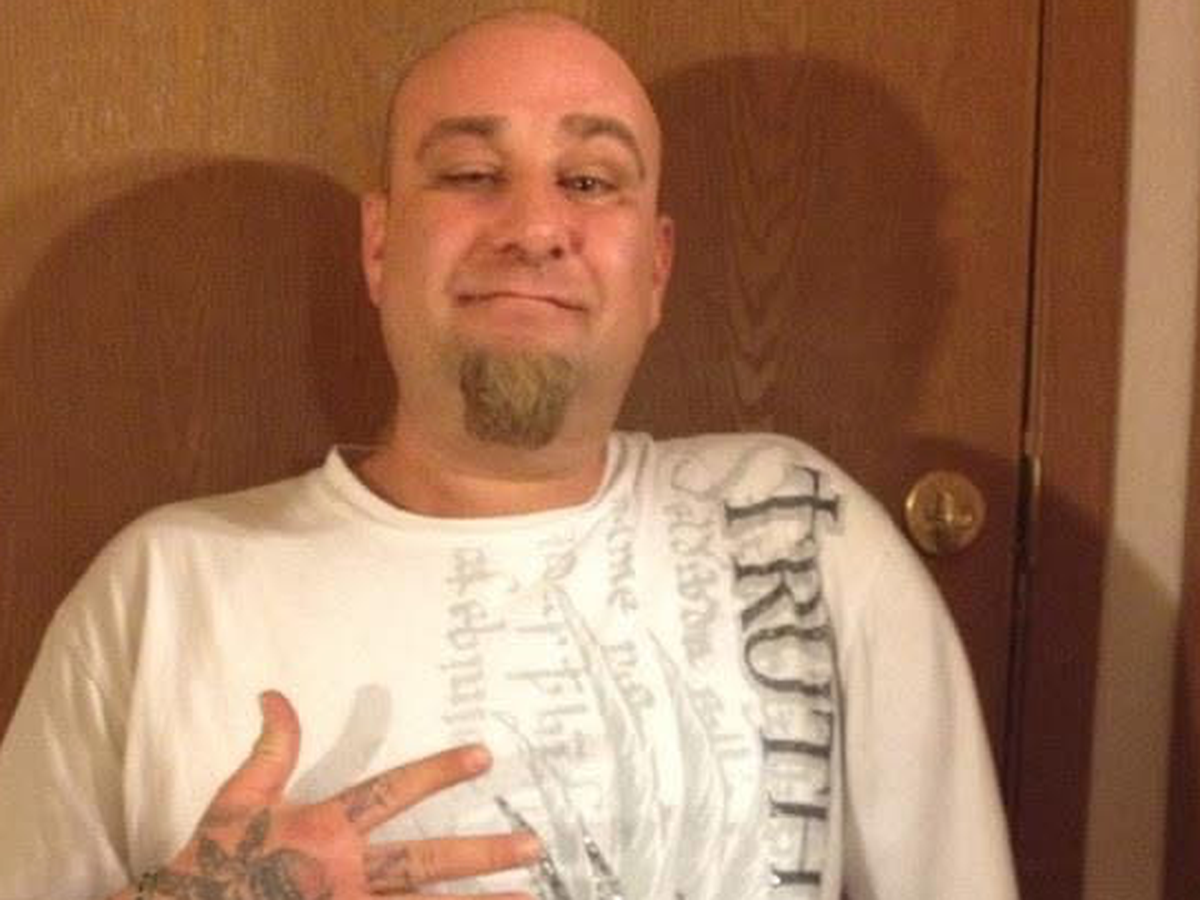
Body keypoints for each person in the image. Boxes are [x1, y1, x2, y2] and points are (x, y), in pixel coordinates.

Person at [0, 11, 1019, 900]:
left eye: (590, 180)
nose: (535, 227)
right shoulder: (165, 590)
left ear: (657, 271)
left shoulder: (799, 531)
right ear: (380, 245)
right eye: (472, 175)